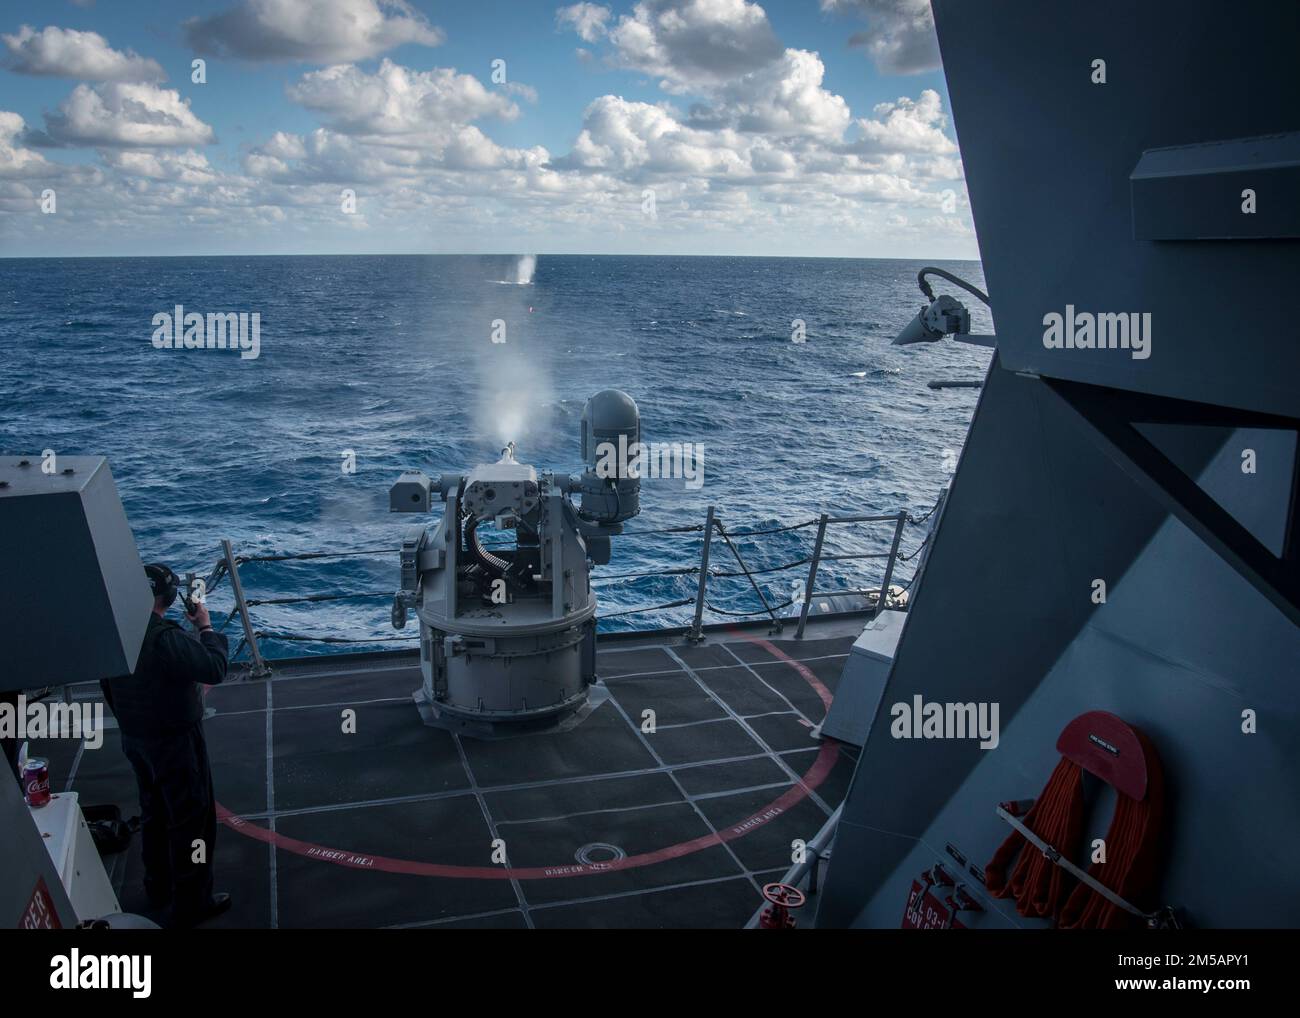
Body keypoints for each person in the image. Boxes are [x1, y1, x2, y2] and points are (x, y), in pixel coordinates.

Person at [101, 563, 232, 928]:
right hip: (175, 742)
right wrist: (204, 627)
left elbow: (108, 687)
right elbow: (214, 668)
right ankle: (193, 901)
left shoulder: (119, 632)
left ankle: (157, 887)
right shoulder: (162, 637)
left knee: (154, 814)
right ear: (169, 596)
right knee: (192, 823)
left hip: (136, 739)